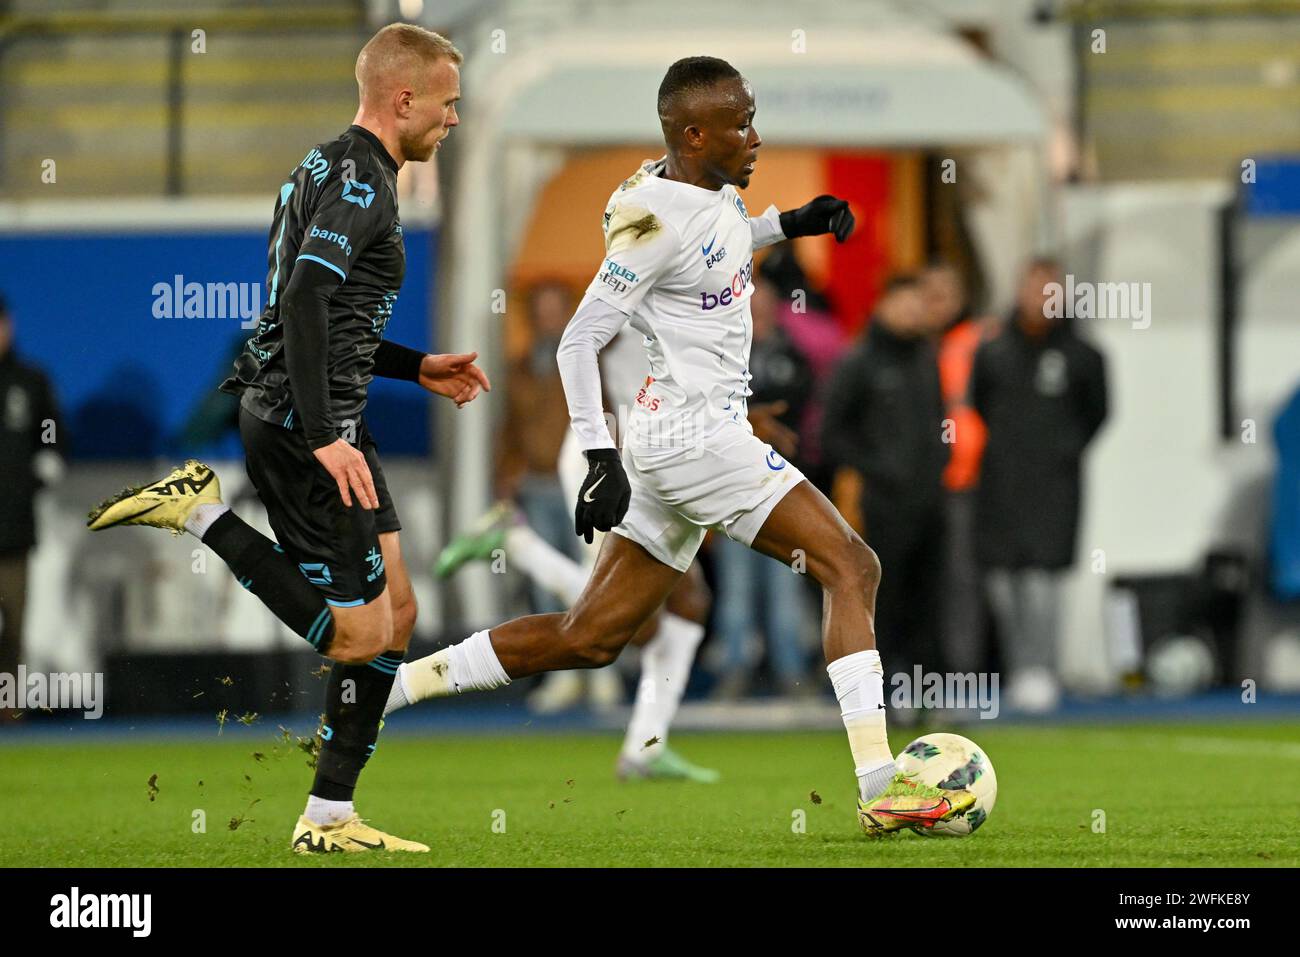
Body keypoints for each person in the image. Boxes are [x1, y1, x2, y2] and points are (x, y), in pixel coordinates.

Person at [385, 56, 974, 836]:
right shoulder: (651, 220)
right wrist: (597, 456)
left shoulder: (702, 192)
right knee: (852, 565)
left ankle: (392, 686)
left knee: (590, 636)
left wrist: (789, 223)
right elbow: (578, 340)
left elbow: (715, 243)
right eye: (740, 124)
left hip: (675, 441)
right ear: (694, 135)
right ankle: (878, 783)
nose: (755, 137)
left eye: (753, 119)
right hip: (697, 442)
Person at [86, 24, 489, 853]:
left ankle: (329, 815)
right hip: (307, 428)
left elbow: (331, 318)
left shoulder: (327, 165)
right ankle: (199, 512)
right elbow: (304, 301)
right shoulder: (364, 186)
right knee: (358, 636)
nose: (454, 118)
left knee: (399, 612)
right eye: (447, 103)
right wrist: (324, 433)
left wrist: (415, 366)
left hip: (328, 419)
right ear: (403, 98)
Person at [435, 319, 721, 782]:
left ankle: (647, 744)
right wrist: (610, 438)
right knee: (627, 617)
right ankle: (515, 543)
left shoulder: (703, 297)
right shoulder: (642, 290)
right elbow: (586, 346)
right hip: (611, 457)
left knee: (689, 601)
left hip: (649, 454)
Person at [970, 257, 1108, 713]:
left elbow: (1097, 413)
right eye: (1034, 289)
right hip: (1001, 483)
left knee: (1042, 581)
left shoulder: (1083, 356)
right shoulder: (993, 352)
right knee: (1002, 582)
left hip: (1054, 486)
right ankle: (1017, 669)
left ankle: (1042, 669)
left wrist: (1060, 450)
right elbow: (980, 403)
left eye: (1051, 291)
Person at [822, 275, 950, 704]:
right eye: (906, 303)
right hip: (881, 506)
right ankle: (883, 694)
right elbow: (832, 434)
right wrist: (879, 469)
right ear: (884, 305)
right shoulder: (859, 362)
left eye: (919, 304)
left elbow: (938, 421)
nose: (914, 313)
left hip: (929, 503)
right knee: (884, 600)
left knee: (928, 600)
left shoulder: (926, 358)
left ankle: (927, 694)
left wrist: (939, 463)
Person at [711, 273, 815, 699]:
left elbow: (795, 404)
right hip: (732, 485)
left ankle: (790, 672)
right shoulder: (720, 353)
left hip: (781, 486)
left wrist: (751, 417)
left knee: (784, 584)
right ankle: (735, 669)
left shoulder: (791, 354)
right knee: (736, 588)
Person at [922, 262, 992, 677]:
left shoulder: (981, 341)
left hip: (967, 480)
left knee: (963, 579)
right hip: (916, 484)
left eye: (945, 294)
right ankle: (922, 669)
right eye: (929, 295)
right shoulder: (909, 347)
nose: (937, 304)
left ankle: (964, 669)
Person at [0, 293, 66, 714]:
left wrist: (47, 463)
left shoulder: (29, 381)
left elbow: (52, 432)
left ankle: (7, 714)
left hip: (13, 529)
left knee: (13, 629)